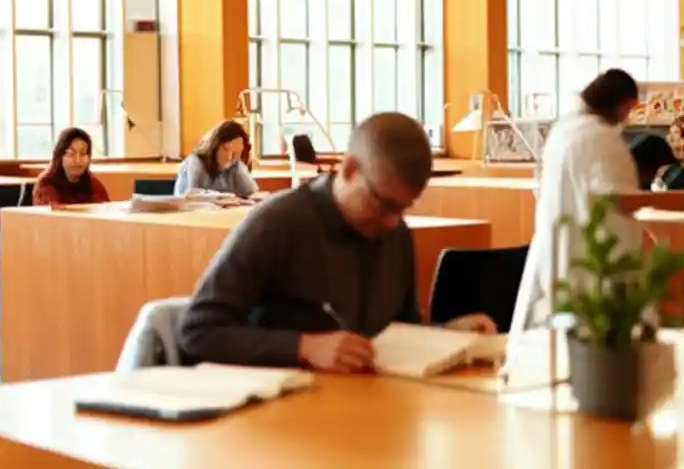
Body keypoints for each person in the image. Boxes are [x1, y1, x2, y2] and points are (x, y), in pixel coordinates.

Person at [177, 112, 495, 372]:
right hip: (282, 421)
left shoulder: (396, 233)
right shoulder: (277, 223)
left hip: (368, 406)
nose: (392, 221)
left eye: (403, 208)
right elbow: (197, 331)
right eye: (383, 204)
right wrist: (303, 347)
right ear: (350, 169)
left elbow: (397, 332)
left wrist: (445, 337)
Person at [507, 69, 642, 336]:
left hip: (555, 244)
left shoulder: (564, 129)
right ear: (624, 103)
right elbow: (619, 200)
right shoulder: (602, 137)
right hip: (592, 254)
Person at [173, 120, 264, 200]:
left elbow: (251, 193)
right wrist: (224, 198)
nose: (230, 157)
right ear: (215, 146)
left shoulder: (235, 166)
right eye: (225, 149)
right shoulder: (196, 162)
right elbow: (191, 195)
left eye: (236, 153)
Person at [33, 128, 110, 206]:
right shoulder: (46, 184)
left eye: (83, 154)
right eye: (71, 154)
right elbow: (52, 215)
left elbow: (105, 210)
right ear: (59, 156)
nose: (77, 160)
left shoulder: (92, 182)